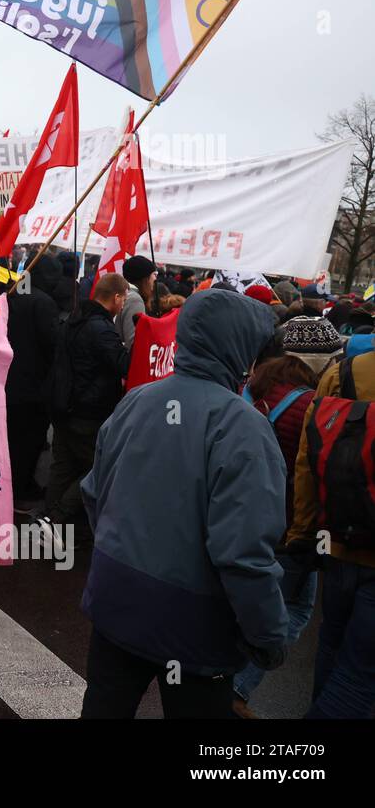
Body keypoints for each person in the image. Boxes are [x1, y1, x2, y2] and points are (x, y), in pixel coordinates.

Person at [80, 289, 288, 718]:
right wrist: (268, 635)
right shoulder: (244, 427)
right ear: (241, 349)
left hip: (116, 602)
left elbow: (95, 493)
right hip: (195, 625)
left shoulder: (137, 399)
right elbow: (244, 553)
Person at [232, 349, 320, 718]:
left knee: (242, 597)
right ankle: (237, 684)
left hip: (240, 513)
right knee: (294, 608)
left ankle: (220, 675)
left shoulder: (246, 393)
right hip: (287, 524)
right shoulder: (310, 407)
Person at [287, 351, 375, 718]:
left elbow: (310, 457)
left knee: (333, 640)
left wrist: (304, 532)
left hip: (338, 538)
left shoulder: (345, 371)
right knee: (361, 676)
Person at [39, 272, 131, 545]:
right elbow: (123, 364)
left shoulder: (74, 320)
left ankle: (49, 527)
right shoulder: (101, 328)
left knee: (63, 468)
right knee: (99, 468)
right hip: (87, 410)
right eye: (124, 299)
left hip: (64, 406)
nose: (124, 304)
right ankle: (54, 519)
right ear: (115, 298)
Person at [6, 256, 62, 514]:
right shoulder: (44, 302)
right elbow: (52, 343)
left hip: (9, 379)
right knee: (29, 440)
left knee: (13, 439)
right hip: (34, 384)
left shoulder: (12, 295)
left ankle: (13, 484)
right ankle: (21, 487)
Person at [116, 256, 157, 350]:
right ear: (145, 278)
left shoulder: (125, 293)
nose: (155, 279)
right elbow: (134, 342)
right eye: (154, 274)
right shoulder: (134, 300)